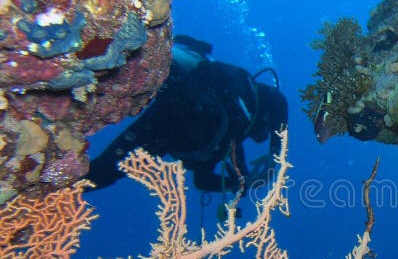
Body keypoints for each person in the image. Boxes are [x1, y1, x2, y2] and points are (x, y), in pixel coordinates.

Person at [88, 35, 288, 193]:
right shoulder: (248, 93)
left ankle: (62, 189)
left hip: (166, 130)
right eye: (266, 130)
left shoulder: (231, 141)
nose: (260, 136)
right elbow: (280, 105)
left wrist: (238, 184)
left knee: (106, 171)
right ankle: (146, 49)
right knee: (110, 168)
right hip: (185, 104)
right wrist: (273, 158)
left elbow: (202, 180)